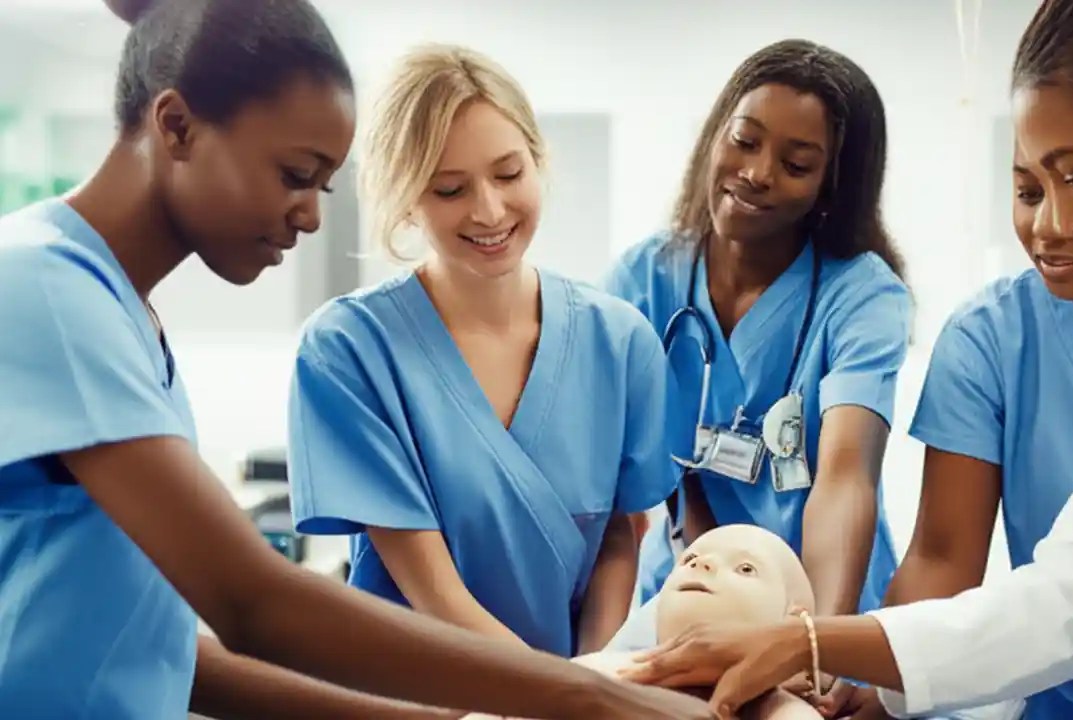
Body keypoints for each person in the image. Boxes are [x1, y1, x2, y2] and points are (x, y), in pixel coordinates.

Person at [0, 2, 713, 719]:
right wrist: (590, 699)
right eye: (294, 174)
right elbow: (252, 604)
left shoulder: (125, 316)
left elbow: (161, 652)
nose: (311, 217)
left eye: (322, 185)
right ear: (178, 126)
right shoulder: (46, 288)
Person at [620, 0, 1073, 718]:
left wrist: (812, 633)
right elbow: (1070, 596)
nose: (1059, 225)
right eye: (1030, 189)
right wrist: (806, 643)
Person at [286, 43, 679, 659]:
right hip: (414, 689)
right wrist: (567, 696)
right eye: (449, 189)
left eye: (509, 174)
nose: (489, 210)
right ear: (406, 196)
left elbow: (618, 537)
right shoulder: (349, 350)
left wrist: (598, 676)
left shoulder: (620, 342)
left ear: (538, 160)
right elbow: (433, 592)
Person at [841, 122, 1073, 720]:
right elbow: (948, 562)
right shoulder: (992, 338)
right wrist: (876, 684)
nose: (1046, 226)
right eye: (1027, 192)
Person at [602, 40, 911, 687]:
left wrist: (817, 646)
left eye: (796, 164)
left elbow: (845, 479)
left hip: (823, 602)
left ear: (832, 185)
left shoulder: (861, 296)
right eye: (744, 140)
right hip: (690, 596)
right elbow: (629, 478)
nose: (757, 173)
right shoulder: (646, 277)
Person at [468, 524, 824, 720]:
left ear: (794, 621)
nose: (702, 565)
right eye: (690, 559)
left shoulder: (777, 711)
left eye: (745, 569)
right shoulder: (604, 670)